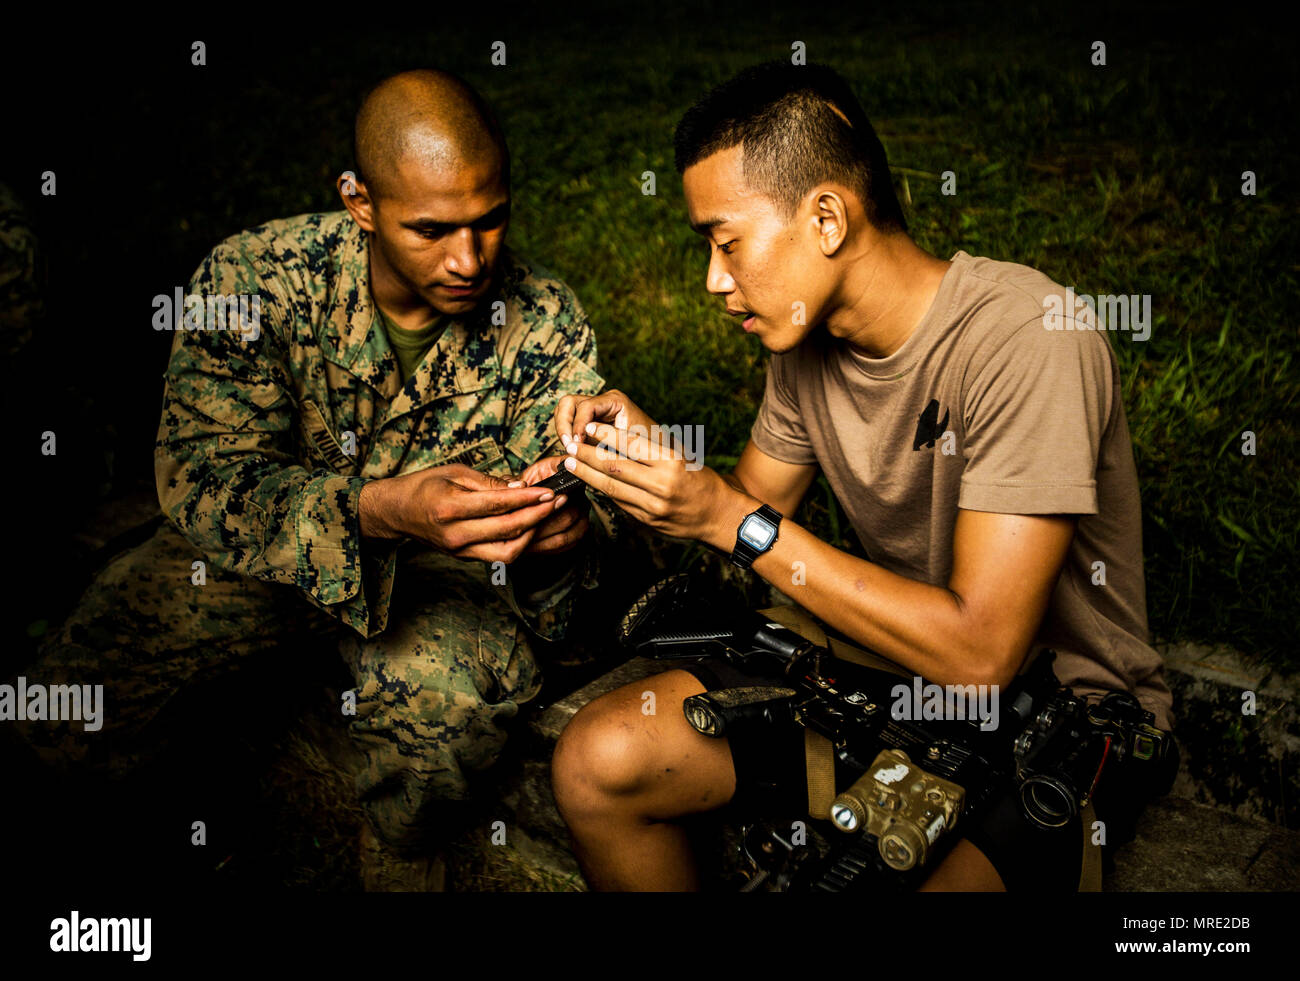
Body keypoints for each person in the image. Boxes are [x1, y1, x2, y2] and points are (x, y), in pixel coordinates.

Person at [549, 61, 1177, 892]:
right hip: (897, 670)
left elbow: (982, 654)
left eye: (727, 241)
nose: (713, 278)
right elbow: (736, 526)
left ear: (827, 218)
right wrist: (637, 468)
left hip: (1063, 711)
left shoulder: (1028, 341)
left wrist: (731, 517)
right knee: (597, 762)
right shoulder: (803, 346)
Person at [7, 68, 604, 891]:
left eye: (490, 220)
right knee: (84, 679)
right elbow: (208, 474)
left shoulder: (541, 319)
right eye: (432, 229)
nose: (470, 259)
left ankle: (400, 851)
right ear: (360, 202)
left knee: (449, 706)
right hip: (264, 559)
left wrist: (559, 538)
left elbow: (581, 537)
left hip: (442, 589)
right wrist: (376, 509)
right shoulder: (254, 279)